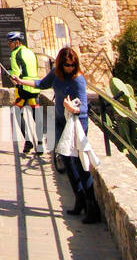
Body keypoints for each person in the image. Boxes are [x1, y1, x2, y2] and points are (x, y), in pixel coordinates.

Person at [35, 47, 100, 223]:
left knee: (80, 165)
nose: (69, 68)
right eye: (66, 65)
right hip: (61, 123)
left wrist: (73, 109)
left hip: (77, 124)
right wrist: (20, 81)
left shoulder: (78, 80)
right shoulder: (57, 74)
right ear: (60, 64)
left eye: (72, 65)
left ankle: (91, 207)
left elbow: (84, 108)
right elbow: (41, 84)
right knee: (67, 162)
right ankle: (79, 201)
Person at [5, 31, 44, 155]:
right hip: (34, 86)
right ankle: (40, 144)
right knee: (35, 115)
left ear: (16, 42)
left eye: (10, 42)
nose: (8, 44)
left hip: (23, 88)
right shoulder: (30, 52)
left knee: (17, 112)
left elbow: (16, 74)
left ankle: (28, 141)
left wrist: (10, 74)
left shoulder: (15, 54)